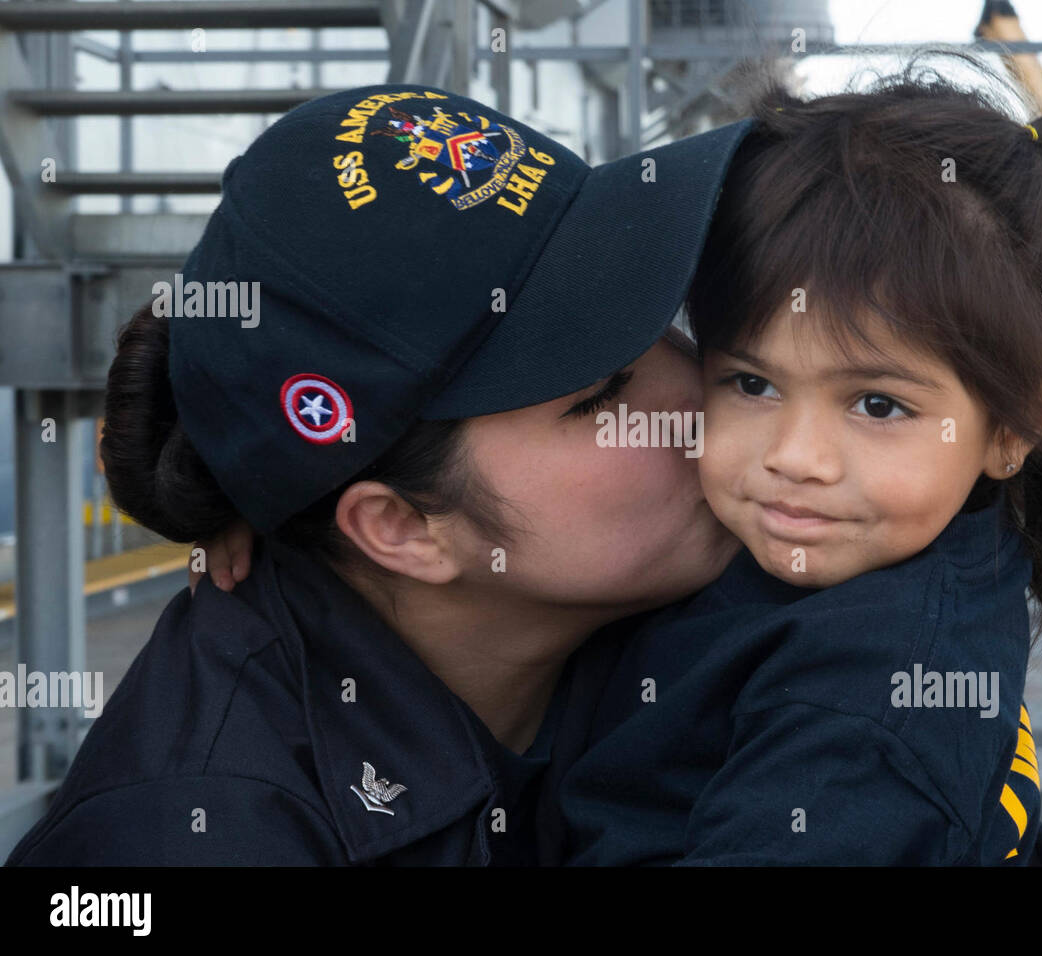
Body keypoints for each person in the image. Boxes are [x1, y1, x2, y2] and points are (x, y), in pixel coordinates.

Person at [4, 83, 752, 865]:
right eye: (601, 395)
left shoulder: (684, 594)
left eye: (658, 311)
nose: (701, 389)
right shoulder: (201, 835)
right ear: (400, 529)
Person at [533, 66, 1042, 865]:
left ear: (1019, 423)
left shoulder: (874, 701)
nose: (795, 458)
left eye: (878, 406)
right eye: (752, 384)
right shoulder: (807, 574)